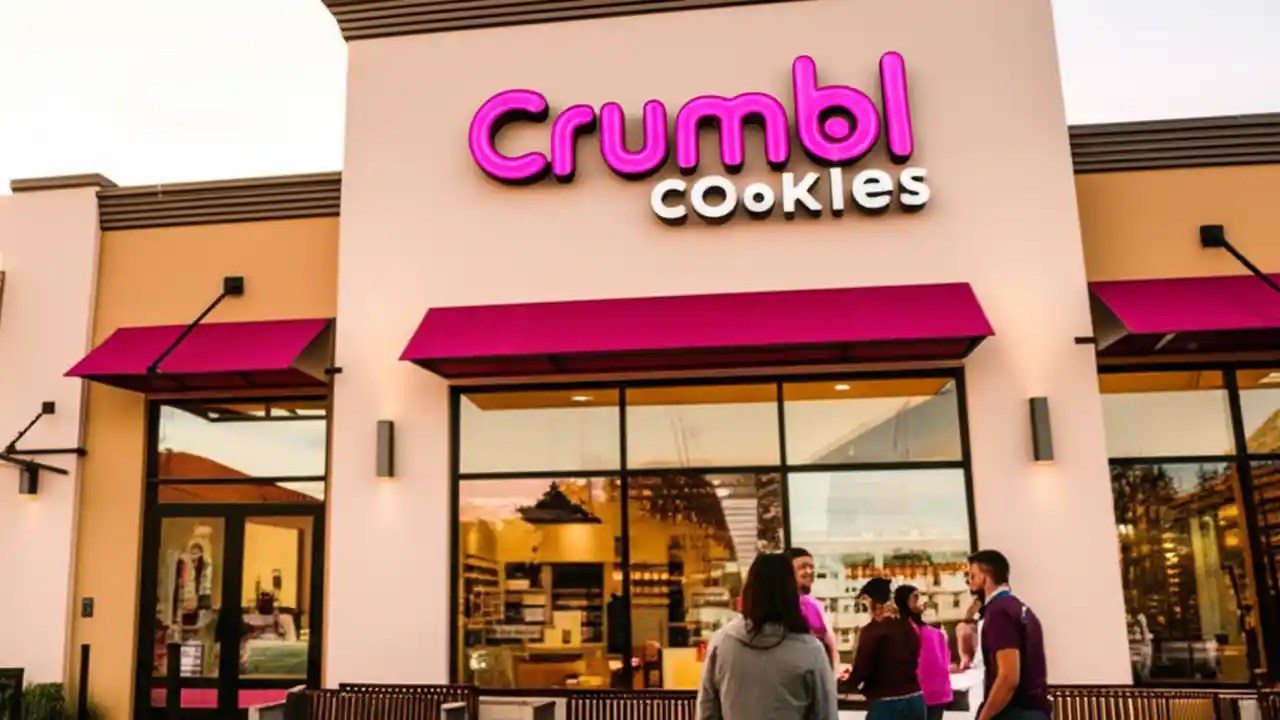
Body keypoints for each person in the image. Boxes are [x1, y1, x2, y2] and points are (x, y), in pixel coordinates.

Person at [697, 553, 839, 720]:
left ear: (749, 590)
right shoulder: (810, 651)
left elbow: (707, 711)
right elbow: (826, 714)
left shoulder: (722, 643)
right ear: (790, 592)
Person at [967, 550, 1051, 720]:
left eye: (972, 575)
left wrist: (984, 717)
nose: (969, 582)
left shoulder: (998, 611)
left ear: (984, 577)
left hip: (1015, 711)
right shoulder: (1020, 608)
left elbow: (1008, 677)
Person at [849, 577, 925, 720]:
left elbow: (862, 668)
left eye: (864, 603)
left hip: (887, 704)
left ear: (870, 601)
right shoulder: (907, 626)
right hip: (916, 700)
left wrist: (846, 685)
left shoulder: (872, 631)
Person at [895, 585, 953, 720]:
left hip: (932, 695)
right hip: (914, 695)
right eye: (915, 597)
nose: (921, 602)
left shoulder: (933, 633)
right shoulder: (902, 631)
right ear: (904, 601)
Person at [787, 548, 845, 677]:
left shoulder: (812, 604)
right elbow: (825, 645)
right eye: (802, 567)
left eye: (811, 567)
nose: (809, 571)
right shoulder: (807, 605)